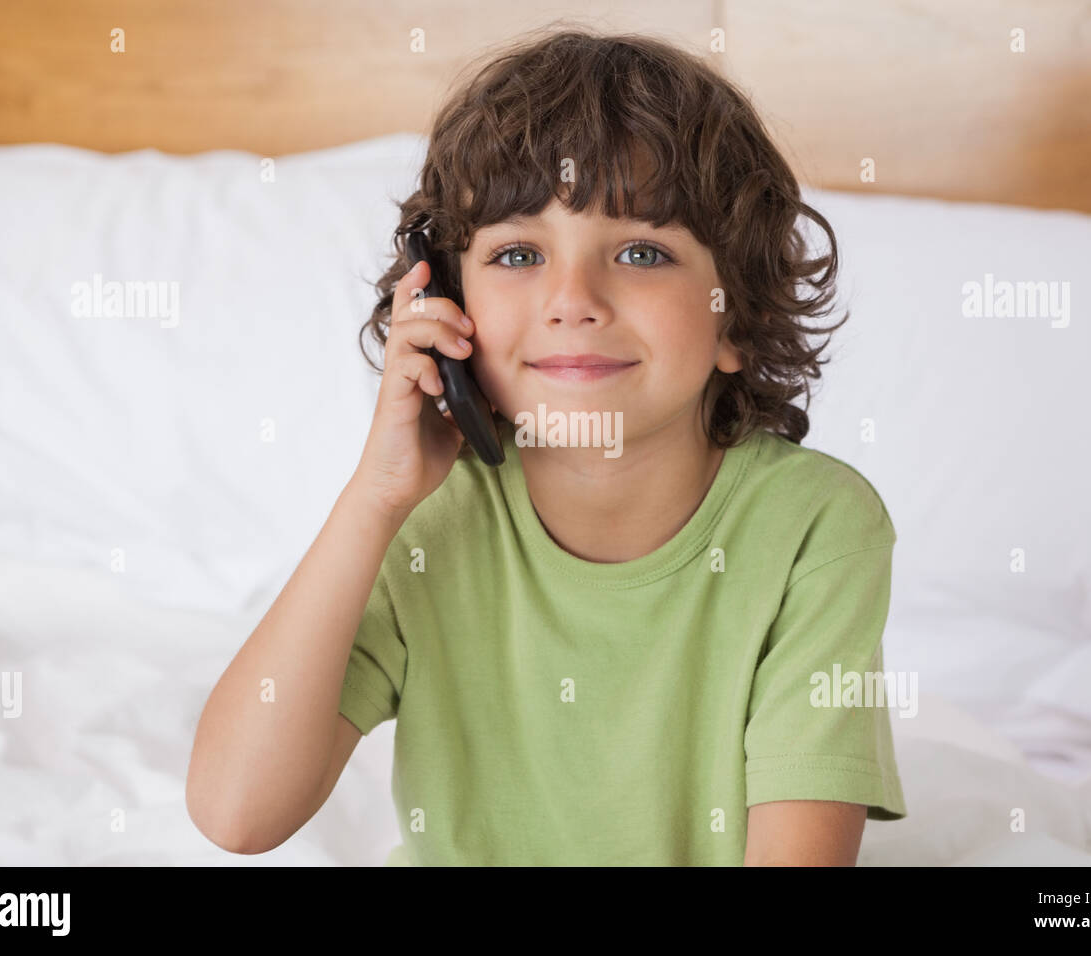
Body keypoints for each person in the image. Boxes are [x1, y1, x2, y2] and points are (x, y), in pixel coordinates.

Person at [187, 25, 907, 866]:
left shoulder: (814, 526)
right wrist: (375, 497)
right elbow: (235, 813)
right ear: (446, 299)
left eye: (642, 252)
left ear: (735, 317)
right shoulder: (425, 518)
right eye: (518, 252)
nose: (573, 299)